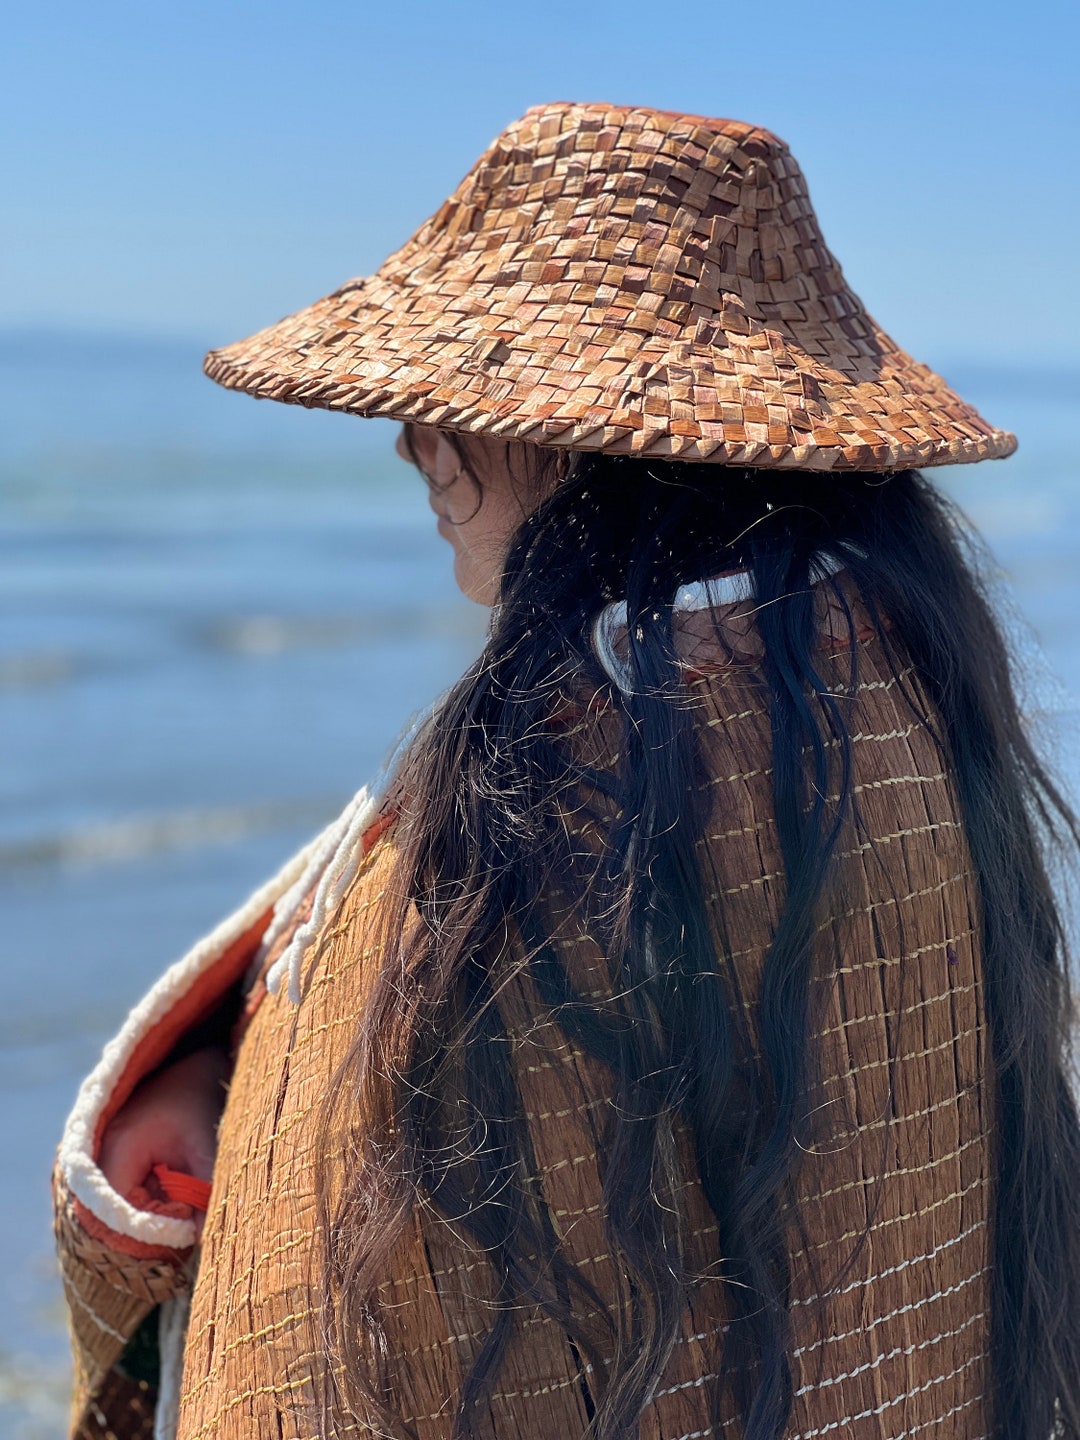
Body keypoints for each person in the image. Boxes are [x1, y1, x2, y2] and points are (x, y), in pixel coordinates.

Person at [53, 101, 1080, 1440]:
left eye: (452, 408)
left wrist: (234, 1101)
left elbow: (358, 1301)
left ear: (604, 442)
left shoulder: (590, 778)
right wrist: (220, 1076)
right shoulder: (886, 680)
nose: (415, 445)